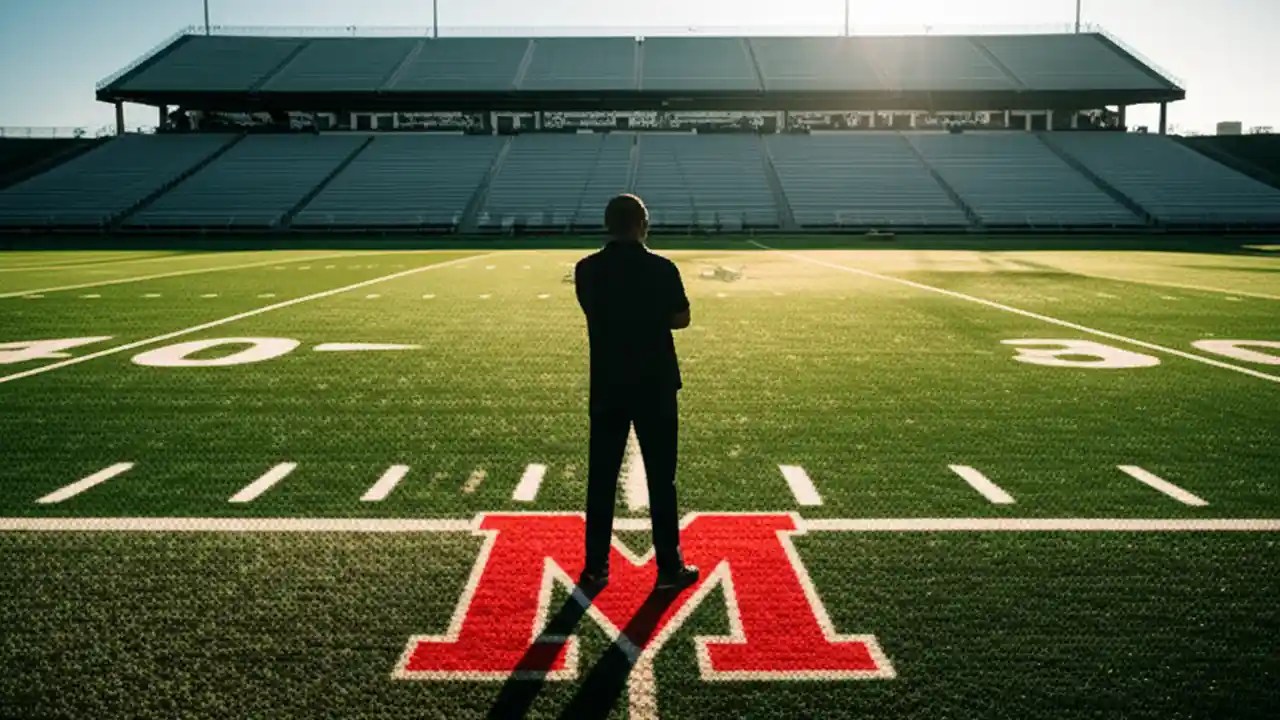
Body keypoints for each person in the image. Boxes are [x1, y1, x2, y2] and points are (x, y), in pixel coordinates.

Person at [574, 194, 699, 593]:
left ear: (608, 225)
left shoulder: (587, 270)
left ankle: (595, 568)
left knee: (602, 479)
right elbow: (681, 318)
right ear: (643, 224)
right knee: (662, 478)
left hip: (608, 383)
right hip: (655, 383)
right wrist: (650, 314)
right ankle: (668, 566)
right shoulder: (662, 268)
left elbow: (595, 311)